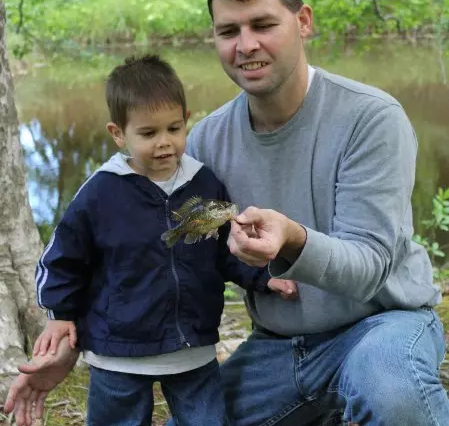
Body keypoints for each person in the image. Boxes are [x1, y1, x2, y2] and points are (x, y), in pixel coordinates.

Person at [5, 0, 449, 425]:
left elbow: (371, 265)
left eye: (263, 24)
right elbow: (140, 250)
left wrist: (293, 240)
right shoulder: (204, 141)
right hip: (277, 348)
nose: (246, 45)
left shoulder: (371, 119)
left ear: (303, 21)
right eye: (228, 31)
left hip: (382, 326)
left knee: (392, 391)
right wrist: (72, 335)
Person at [4, 53, 298, 426]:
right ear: (118, 134)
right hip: (118, 353)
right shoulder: (100, 194)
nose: (164, 143)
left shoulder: (204, 183)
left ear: (186, 121)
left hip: (193, 348)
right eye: (148, 133)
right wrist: (60, 314)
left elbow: (227, 249)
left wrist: (264, 277)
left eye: (174, 129)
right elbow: (63, 258)